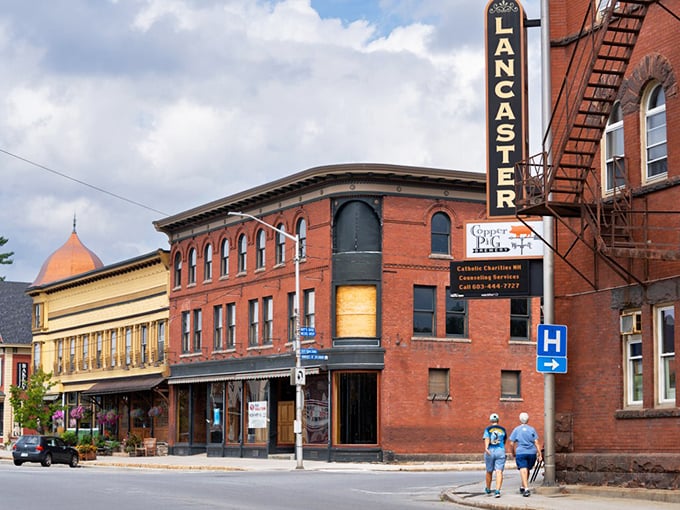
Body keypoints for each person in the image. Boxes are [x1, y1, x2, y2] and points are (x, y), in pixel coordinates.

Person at [509, 412, 542, 497]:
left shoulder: (516, 429)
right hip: (532, 453)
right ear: (528, 419)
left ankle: (526, 489)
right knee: (527, 470)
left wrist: (513, 453)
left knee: (523, 469)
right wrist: (539, 454)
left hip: (521, 452)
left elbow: (511, 443)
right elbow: (537, 442)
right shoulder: (532, 429)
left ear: (520, 419)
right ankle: (523, 486)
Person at [482, 413, 506, 498]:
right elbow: (504, 440)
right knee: (499, 471)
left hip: (490, 451)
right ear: (498, 420)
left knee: (489, 471)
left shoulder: (488, 429)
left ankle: (488, 488)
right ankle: (497, 490)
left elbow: (487, 438)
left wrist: (486, 448)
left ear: (490, 420)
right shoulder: (503, 429)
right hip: (500, 450)